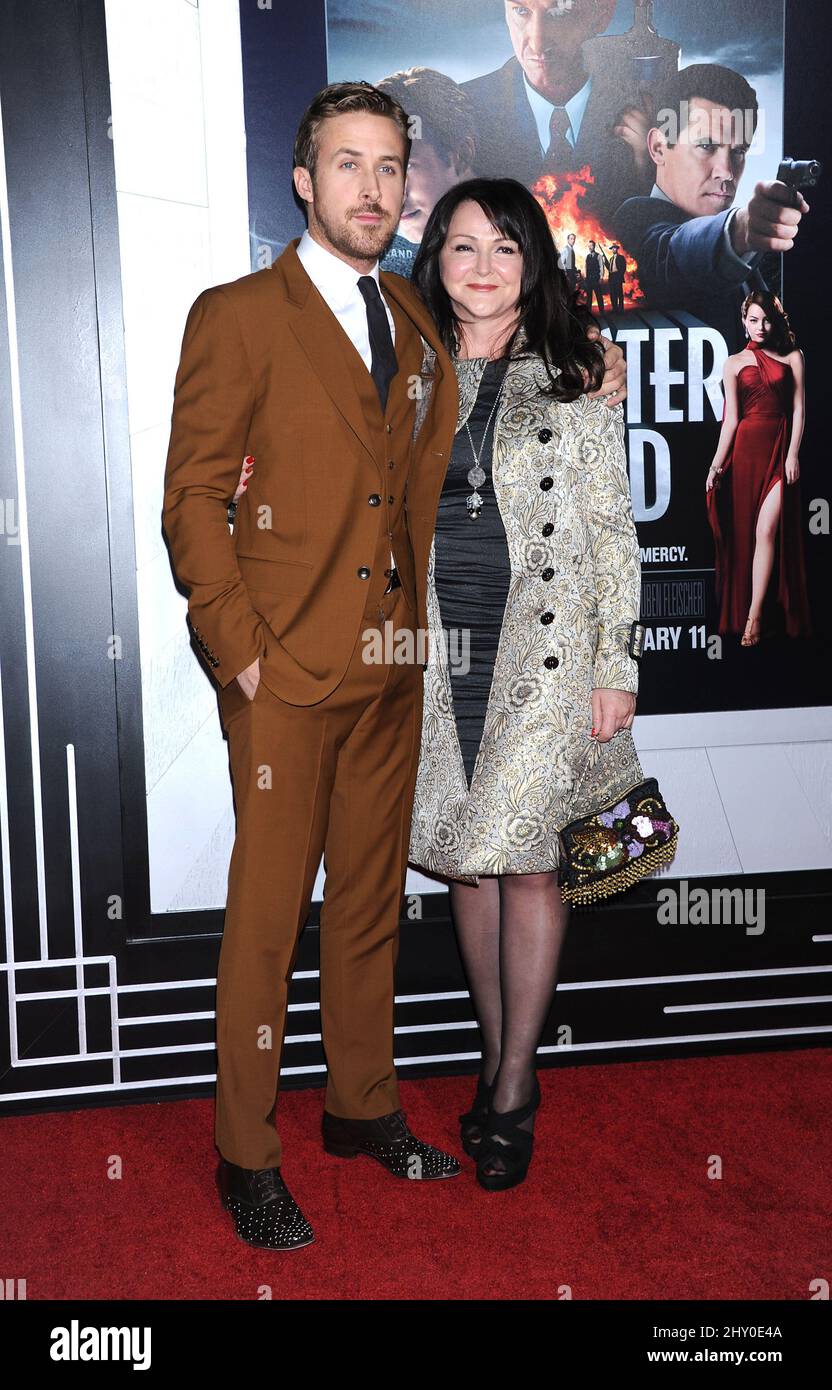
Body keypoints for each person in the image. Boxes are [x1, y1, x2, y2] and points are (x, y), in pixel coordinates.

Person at [165, 81, 629, 1251]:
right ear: (303, 179)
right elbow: (191, 500)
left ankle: (361, 1107)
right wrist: (241, 654)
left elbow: (447, 458)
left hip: (396, 672)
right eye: (348, 166)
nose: (371, 189)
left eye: (388, 168)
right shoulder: (236, 313)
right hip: (284, 674)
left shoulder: (415, 319)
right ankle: (247, 1150)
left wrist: (594, 366)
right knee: (269, 922)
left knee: (369, 910)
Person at [407, 178, 641, 1191]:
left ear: (532, 261)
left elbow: (612, 529)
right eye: (462, 248)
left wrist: (615, 666)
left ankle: (511, 1081)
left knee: (531, 863)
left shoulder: (576, 373)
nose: (484, 266)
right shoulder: (404, 372)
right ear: (437, 265)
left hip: (542, 652)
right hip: (433, 651)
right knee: (470, 860)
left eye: (504, 247)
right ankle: (497, 1051)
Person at [612, 64, 810, 353]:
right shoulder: (635, 222)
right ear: (658, 147)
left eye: (738, 152)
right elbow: (676, 251)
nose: (727, 172)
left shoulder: (750, 259)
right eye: (706, 146)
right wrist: (742, 230)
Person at [461, 0, 653, 220]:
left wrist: (648, 172)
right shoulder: (462, 114)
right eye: (521, 11)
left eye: (559, 12)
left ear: (603, 13)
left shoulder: (651, 114)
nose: (537, 43)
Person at [705, 291, 810, 644]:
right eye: (753, 320)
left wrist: (793, 454)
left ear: (774, 319)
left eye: (765, 319)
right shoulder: (733, 363)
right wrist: (716, 464)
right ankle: (750, 612)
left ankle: (754, 616)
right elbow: (731, 420)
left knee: (766, 531)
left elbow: (799, 411)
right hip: (746, 453)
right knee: (747, 535)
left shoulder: (793, 356)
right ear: (743, 321)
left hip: (779, 449)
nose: (760, 327)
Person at [584, 237, 609, 314]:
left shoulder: (598, 256)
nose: (590, 247)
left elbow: (601, 267)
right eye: (589, 246)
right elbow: (585, 267)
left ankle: (602, 311)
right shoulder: (587, 256)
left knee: (598, 295)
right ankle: (589, 311)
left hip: (596, 278)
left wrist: (601, 277)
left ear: (594, 246)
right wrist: (585, 276)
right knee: (589, 297)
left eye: (591, 246)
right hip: (589, 279)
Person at [607, 241, 626, 311]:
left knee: (619, 293)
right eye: (612, 249)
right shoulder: (611, 259)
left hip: (617, 276)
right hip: (612, 277)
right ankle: (614, 308)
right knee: (613, 293)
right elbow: (609, 268)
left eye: (614, 248)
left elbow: (624, 267)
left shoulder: (621, 257)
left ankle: (621, 309)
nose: (613, 250)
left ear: (617, 249)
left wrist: (620, 275)